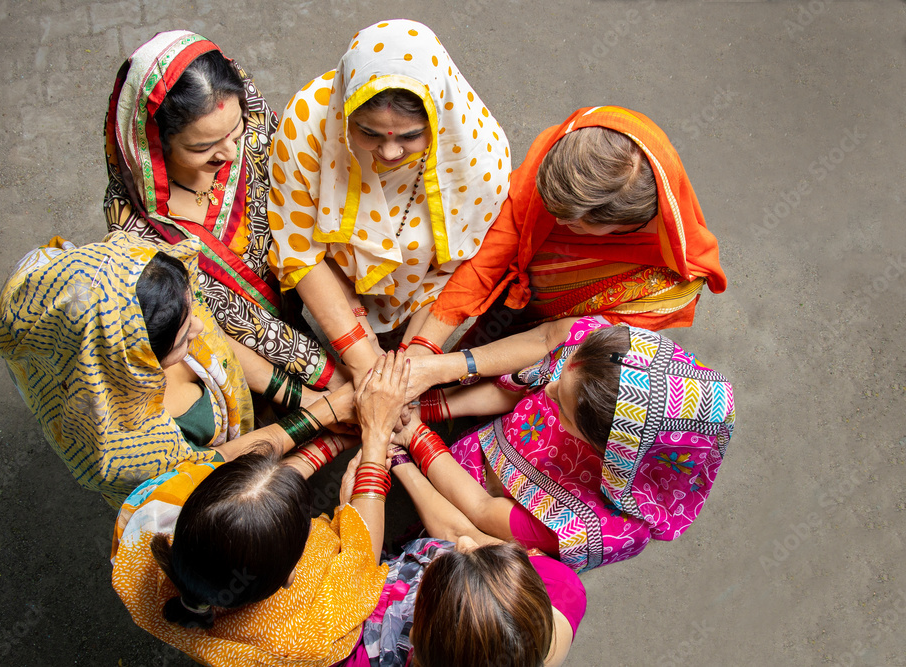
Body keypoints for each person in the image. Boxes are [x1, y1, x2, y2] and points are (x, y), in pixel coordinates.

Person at [111, 354, 585, 666]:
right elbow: (363, 541)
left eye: (448, 563)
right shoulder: (328, 618)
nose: (460, 542)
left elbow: (212, 467)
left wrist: (340, 422)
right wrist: (384, 445)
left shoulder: (141, 532)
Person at [0, 232, 354, 507]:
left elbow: (219, 351)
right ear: (136, 364)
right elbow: (213, 468)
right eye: (182, 340)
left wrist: (309, 400)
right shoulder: (134, 451)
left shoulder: (124, 287)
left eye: (191, 312)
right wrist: (326, 416)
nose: (199, 328)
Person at [267, 19, 511, 382]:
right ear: (345, 112)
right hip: (337, 282)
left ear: (439, 119)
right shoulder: (308, 122)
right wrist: (363, 358)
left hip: (421, 293)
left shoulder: (481, 159)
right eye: (368, 133)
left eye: (411, 136)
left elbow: (461, 269)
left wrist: (412, 366)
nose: (390, 151)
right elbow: (299, 250)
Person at [399, 315, 736, 572]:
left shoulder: (584, 528)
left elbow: (479, 511)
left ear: (608, 453)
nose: (546, 390)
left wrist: (412, 436)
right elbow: (521, 379)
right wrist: (425, 407)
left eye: (561, 407)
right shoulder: (604, 360)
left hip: (462, 506)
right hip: (465, 455)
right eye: (561, 377)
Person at [104, 30, 339, 391]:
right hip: (242, 358)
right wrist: (309, 395)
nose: (230, 153)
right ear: (155, 142)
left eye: (235, 131)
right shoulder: (134, 228)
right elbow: (203, 330)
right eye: (203, 147)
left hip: (299, 284)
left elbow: (300, 212)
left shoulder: (251, 123)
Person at [416, 105, 728, 349]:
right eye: (552, 208)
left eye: (575, 223)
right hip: (517, 298)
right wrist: (422, 346)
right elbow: (495, 250)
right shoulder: (571, 154)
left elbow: (563, 345)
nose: (558, 221)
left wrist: (442, 373)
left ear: (625, 224)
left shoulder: (669, 287)